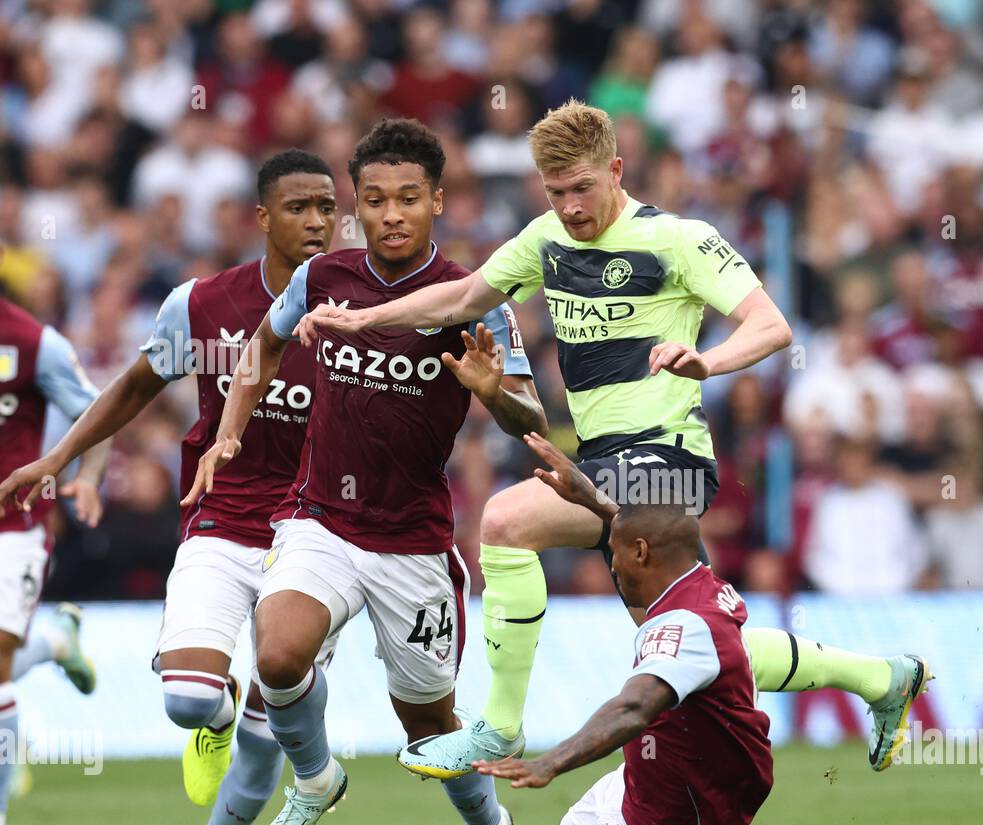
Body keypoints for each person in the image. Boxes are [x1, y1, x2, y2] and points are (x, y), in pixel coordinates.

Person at [294, 99, 928, 780]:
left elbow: (771, 325)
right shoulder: (545, 240)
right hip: (600, 462)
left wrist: (705, 362)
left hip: (669, 460)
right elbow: (458, 300)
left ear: (617, 170)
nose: (569, 206)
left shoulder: (678, 239)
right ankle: (882, 676)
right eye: (556, 191)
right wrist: (364, 320)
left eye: (582, 188)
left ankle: (498, 729)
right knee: (697, 642)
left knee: (505, 521)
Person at [182, 118, 548, 825]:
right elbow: (263, 346)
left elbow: (535, 422)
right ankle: (314, 778)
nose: (389, 215)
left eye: (407, 199)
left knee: (429, 729)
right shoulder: (321, 279)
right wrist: (227, 431)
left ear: (438, 201)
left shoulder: (474, 297)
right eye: (373, 200)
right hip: (321, 521)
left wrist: (494, 394)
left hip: (412, 543)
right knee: (276, 654)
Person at [0, 150, 343, 825]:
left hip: (318, 535)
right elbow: (133, 385)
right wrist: (60, 457)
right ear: (263, 218)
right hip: (222, 516)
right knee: (189, 701)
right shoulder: (199, 305)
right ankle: (213, 720)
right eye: (299, 207)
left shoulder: (362, 312)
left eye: (328, 206)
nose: (317, 221)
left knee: (269, 735)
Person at [444, 491, 772, 825]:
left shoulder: (688, 625)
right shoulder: (698, 582)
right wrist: (584, 491)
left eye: (613, 551)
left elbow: (634, 707)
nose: (611, 565)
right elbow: (651, 523)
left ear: (640, 551)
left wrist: (550, 763)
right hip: (636, 792)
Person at [0, 292, 107, 825]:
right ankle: (56, 643)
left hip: (12, 526)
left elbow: (99, 410)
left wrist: (89, 474)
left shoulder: (34, 342)